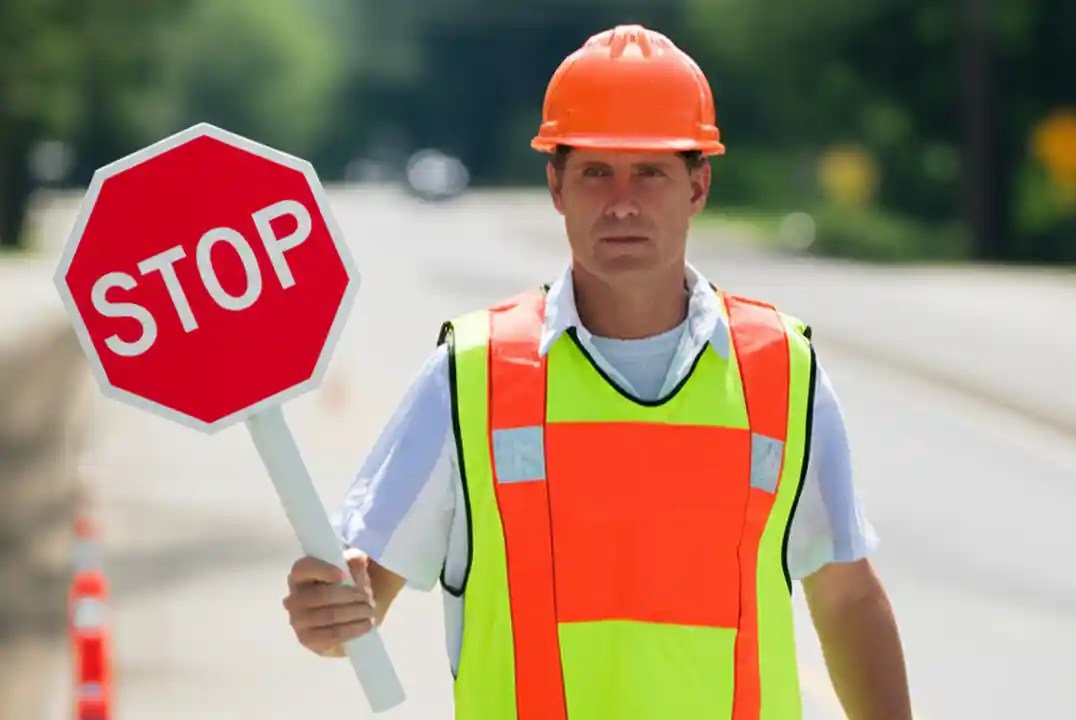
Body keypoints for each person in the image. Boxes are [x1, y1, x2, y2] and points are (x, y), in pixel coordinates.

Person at [282, 24, 912, 720]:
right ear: (556, 186)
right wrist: (335, 610)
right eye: (595, 173)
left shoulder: (782, 373)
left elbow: (848, 596)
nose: (622, 202)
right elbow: (366, 584)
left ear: (697, 186)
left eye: (649, 172)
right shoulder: (472, 375)